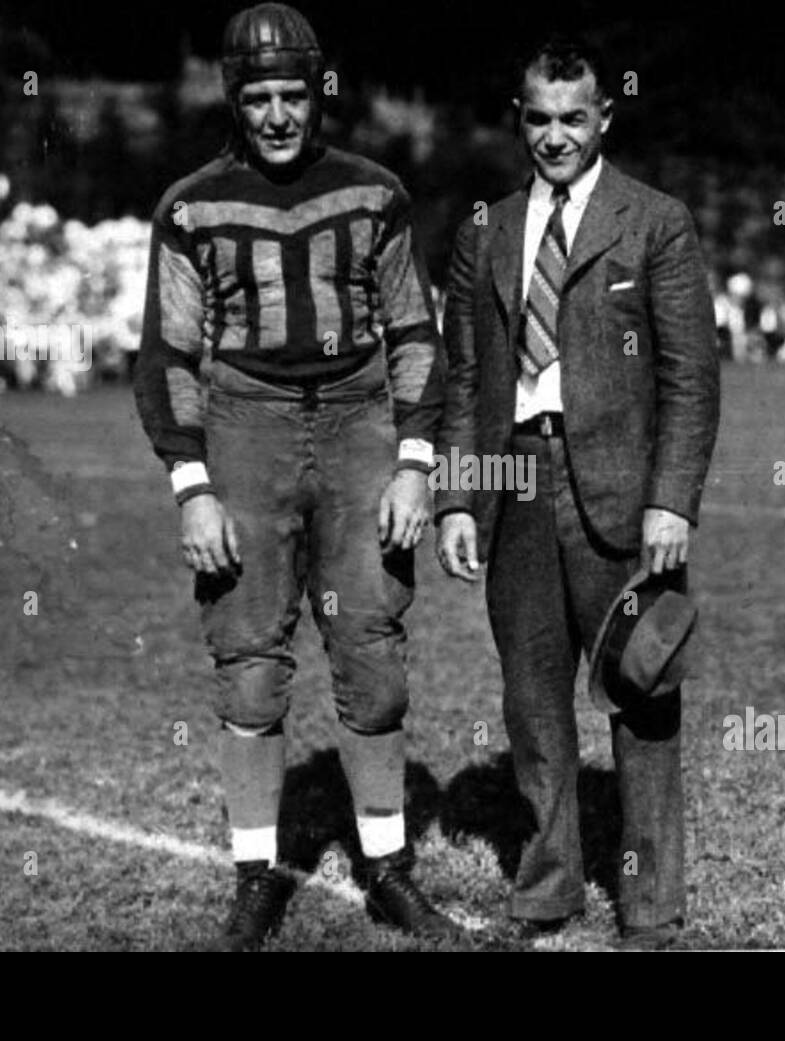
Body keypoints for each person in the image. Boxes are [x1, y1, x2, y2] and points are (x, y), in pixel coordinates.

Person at [134, 3, 457, 950]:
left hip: (361, 423)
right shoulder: (191, 205)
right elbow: (168, 355)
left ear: (319, 94)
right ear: (235, 101)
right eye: (257, 97)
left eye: (291, 95)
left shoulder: (374, 193)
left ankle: (388, 871)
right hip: (245, 428)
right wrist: (191, 484)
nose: (277, 116)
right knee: (248, 659)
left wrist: (412, 463)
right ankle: (256, 873)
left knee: (371, 647)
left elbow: (413, 333)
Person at [435, 36, 721, 947]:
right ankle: (550, 880)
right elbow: (467, 376)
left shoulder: (654, 221)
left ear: (605, 117)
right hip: (515, 474)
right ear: (520, 119)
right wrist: (456, 495)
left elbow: (690, 376)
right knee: (531, 693)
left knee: (642, 687)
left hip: (621, 491)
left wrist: (671, 499)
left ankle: (650, 901)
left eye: (573, 118)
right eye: (539, 119)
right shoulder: (486, 228)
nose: (555, 136)